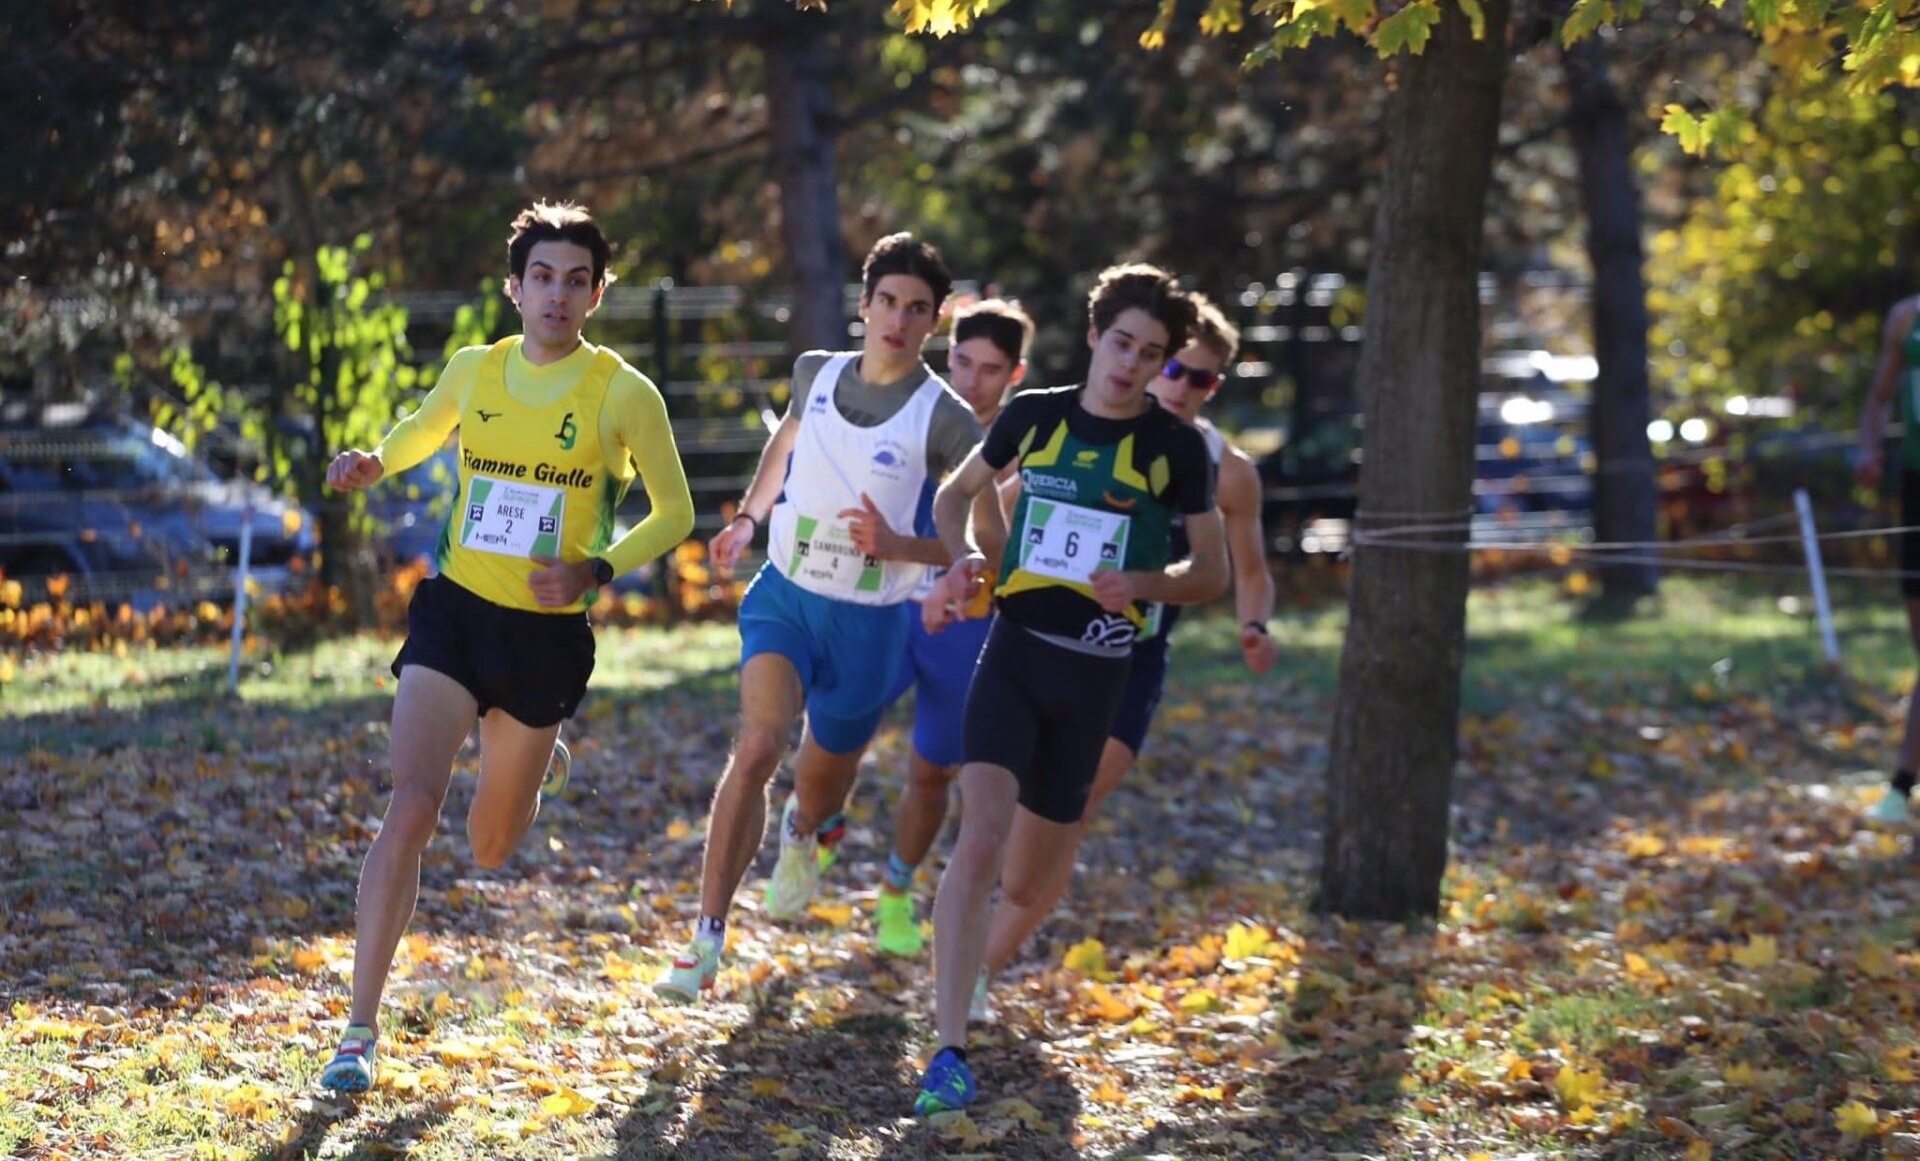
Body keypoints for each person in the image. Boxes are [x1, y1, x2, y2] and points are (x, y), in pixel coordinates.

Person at [318, 200, 695, 1093]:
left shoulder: (623, 394)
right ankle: (358, 1033)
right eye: (541, 279)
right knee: (411, 803)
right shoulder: (475, 368)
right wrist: (376, 460)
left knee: (490, 845)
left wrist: (595, 569)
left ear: (597, 296)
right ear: (513, 288)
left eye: (575, 282)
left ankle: (537, 751)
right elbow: (423, 427)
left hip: (545, 636)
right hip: (455, 614)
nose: (556, 297)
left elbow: (674, 511)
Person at [911, 264, 1227, 1114]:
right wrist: (967, 556)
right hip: (1013, 653)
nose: (1131, 364)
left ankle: (976, 968)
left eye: (1152, 353)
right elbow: (956, 495)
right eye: (1121, 343)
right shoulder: (1034, 415)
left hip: (1095, 676)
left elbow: (1213, 572)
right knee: (976, 842)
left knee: (1027, 876)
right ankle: (946, 1049)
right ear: (1094, 337)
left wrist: (1144, 583)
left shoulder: (1175, 448)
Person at [652, 232, 983, 1004]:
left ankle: (807, 831)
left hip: (871, 623)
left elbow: (970, 540)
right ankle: (705, 940)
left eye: (917, 309)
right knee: (761, 742)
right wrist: (748, 519)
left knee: (820, 782)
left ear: (933, 322)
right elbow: (786, 442)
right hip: (788, 596)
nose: (899, 320)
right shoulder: (817, 373)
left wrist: (902, 545)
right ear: (864, 306)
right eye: (888, 303)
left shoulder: (947, 418)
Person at [973, 293, 1278, 1013]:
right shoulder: (1087, 427)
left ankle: (981, 967)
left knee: (1067, 813)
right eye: (1169, 365)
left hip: (1130, 658)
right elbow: (1013, 499)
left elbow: (1247, 570)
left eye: (1197, 377)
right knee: (1004, 813)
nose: (1175, 382)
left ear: (1214, 388)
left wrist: (1254, 626)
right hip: (1041, 636)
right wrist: (982, 560)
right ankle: (967, 955)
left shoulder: (1221, 467)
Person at [807, 298, 1035, 958]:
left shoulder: (1019, 454)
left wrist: (907, 550)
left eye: (991, 369)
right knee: (833, 727)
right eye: (962, 360)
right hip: (888, 608)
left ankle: (896, 891)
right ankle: (822, 824)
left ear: (1014, 374)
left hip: (965, 626)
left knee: (933, 773)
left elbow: (990, 547)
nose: (972, 380)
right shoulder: (916, 415)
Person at [1858, 293, 1920, 823]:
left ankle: (1901, 785)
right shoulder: (1906, 317)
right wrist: (1868, 447)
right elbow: (1879, 398)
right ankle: (1901, 792)